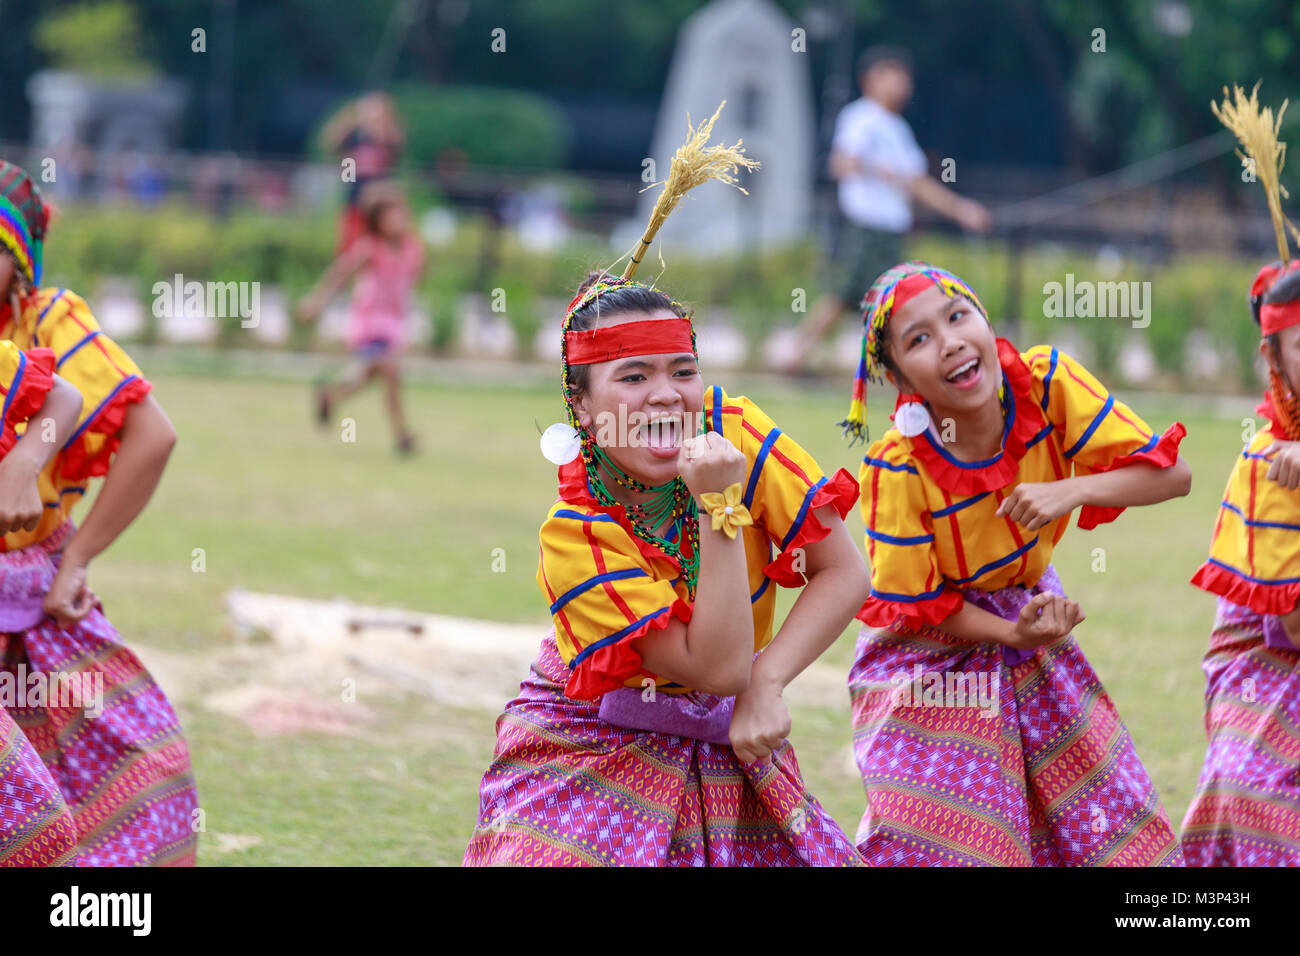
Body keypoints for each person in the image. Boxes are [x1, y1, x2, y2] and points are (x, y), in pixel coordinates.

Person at [464, 105, 868, 866]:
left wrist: (769, 682)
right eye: (633, 376)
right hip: (592, 743)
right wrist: (721, 506)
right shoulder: (576, 534)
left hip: (730, 737)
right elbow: (713, 667)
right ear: (581, 407)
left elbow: (844, 569)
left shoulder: (738, 430)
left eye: (683, 371)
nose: (665, 395)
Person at [841, 260, 1189, 866]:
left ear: (984, 320)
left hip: (1030, 615)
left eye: (957, 316)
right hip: (929, 654)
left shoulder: (1047, 384)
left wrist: (1071, 491)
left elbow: (1173, 476)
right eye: (919, 339)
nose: (949, 342)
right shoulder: (897, 467)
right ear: (899, 377)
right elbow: (917, 608)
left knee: (1102, 828)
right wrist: (1012, 632)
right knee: (954, 840)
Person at [0, 160, 199, 866]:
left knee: (148, 774)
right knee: (27, 815)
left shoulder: (45, 325)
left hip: (39, 591)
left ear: (19, 259)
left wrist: (75, 559)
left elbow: (149, 433)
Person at [1182, 85, 1300, 866]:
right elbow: (1290, 625)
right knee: (1258, 796)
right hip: (1272, 663)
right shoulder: (1271, 463)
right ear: (1277, 361)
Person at [785, 46, 991, 374]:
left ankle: (882, 367)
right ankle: (797, 359)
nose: (901, 86)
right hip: (868, 225)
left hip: (890, 229)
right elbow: (842, 163)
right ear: (870, 79)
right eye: (893, 77)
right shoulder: (861, 117)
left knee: (879, 301)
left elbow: (917, 183)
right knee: (858, 298)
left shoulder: (897, 129)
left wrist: (959, 209)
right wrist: (880, 170)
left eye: (904, 79)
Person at [296, 180, 424, 456]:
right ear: (377, 220)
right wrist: (316, 301)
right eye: (390, 215)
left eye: (400, 213)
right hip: (370, 321)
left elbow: (412, 281)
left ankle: (330, 395)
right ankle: (402, 435)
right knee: (389, 371)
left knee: (369, 375)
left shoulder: (413, 248)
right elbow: (340, 274)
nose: (398, 220)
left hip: (395, 322)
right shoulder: (370, 248)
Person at [320, 92, 406, 255]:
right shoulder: (353, 135)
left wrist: (381, 131)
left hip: (379, 198)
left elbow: (396, 147)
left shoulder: (387, 136)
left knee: (378, 244)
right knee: (350, 244)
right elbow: (333, 145)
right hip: (354, 194)